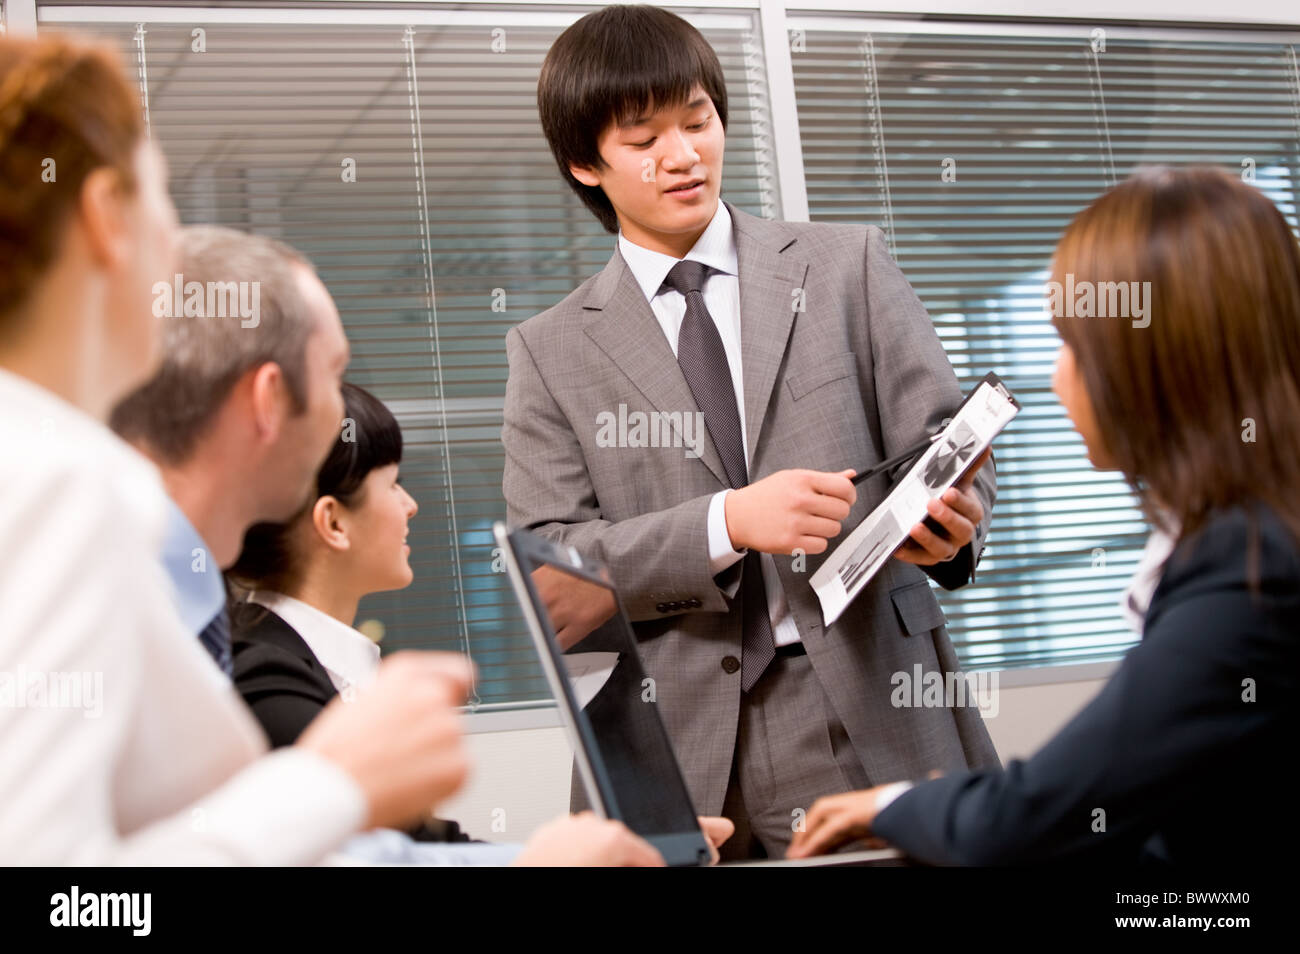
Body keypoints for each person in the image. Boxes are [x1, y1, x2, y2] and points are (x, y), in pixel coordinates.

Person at [504, 4, 999, 859]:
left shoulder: (848, 268)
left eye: (697, 120)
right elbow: (555, 576)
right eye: (644, 137)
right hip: (682, 740)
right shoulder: (549, 351)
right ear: (587, 164)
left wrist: (952, 522)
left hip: (871, 697)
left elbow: (942, 445)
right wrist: (725, 525)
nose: (684, 154)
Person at [0, 32, 472, 864]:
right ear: (107, 217)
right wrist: (335, 782)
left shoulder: (91, 497)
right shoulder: (56, 483)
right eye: (164, 204)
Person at [787, 165, 1300, 865]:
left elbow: (1046, 813)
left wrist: (898, 805)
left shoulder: (1250, 566)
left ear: (1153, 363)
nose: (1056, 376)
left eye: (1072, 345)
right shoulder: (1250, 536)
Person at [225, 380, 734, 864]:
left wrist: (612, 851)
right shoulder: (268, 682)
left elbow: (424, 844)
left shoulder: (318, 666)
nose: (411, 505)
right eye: (392, 485)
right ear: (334, 523)